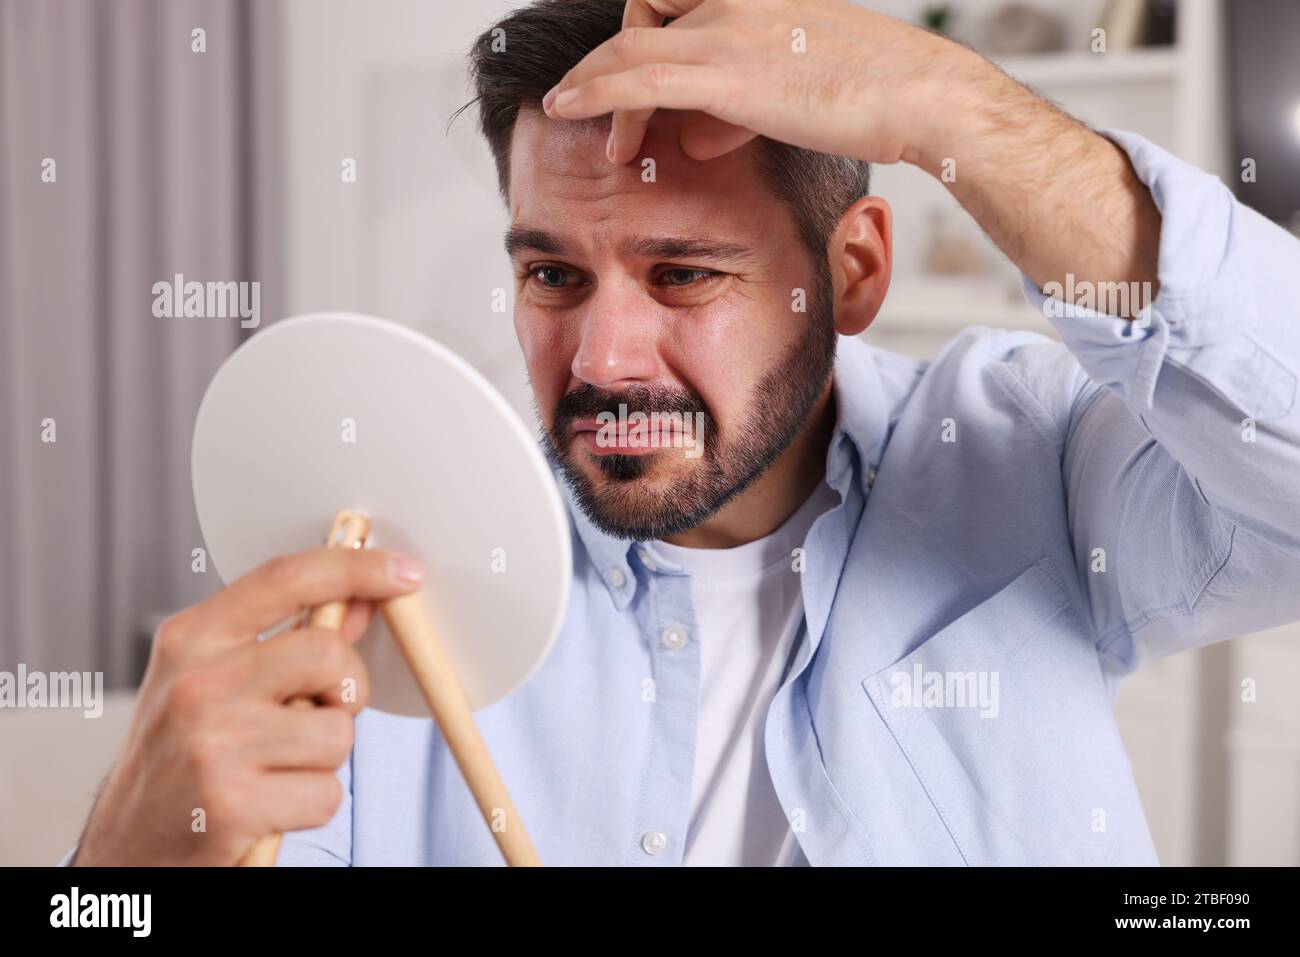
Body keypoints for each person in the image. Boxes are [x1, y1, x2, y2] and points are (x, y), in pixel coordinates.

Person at [70, 0, 1300, 866]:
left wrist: (947, 104)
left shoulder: (1034, 462)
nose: (600, 362)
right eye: (552, 277)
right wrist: (118, 875)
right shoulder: (389, 577)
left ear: (854, 275)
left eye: (684, 276)